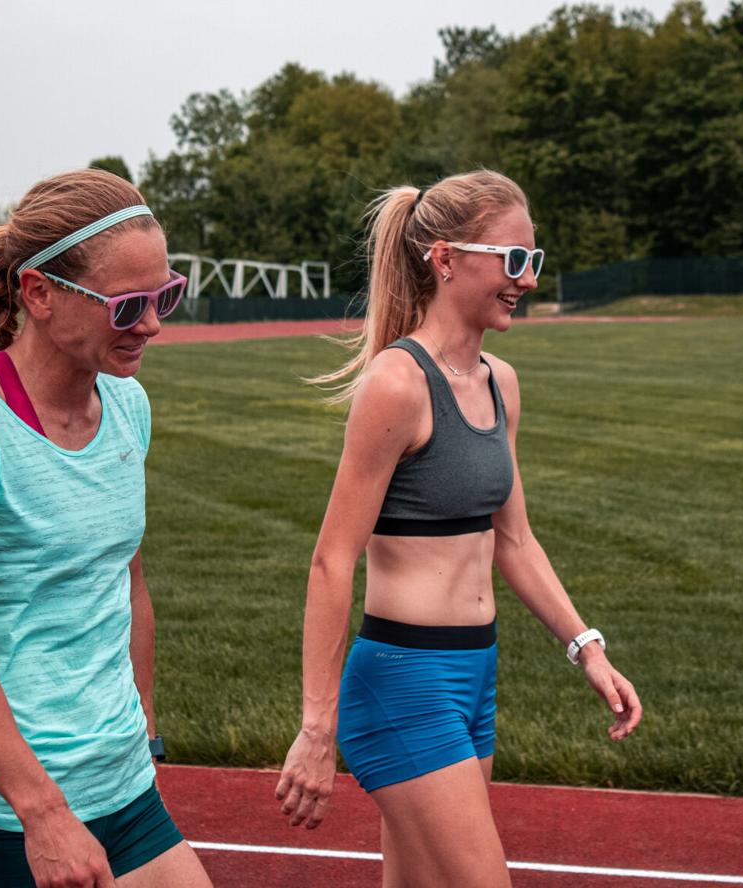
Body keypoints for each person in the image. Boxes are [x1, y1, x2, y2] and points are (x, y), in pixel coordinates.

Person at [275, 170, 642, 886]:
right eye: (511, 260)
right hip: (402, 683)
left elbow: (514, 541)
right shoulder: (397, 383)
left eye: (530, 261)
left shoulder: (500, 382)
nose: (526, 280)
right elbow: (331, 560)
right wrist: (317, 728)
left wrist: (587, 648)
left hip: (474, 676)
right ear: (444, 259)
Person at [0, 169, 211, 887]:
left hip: (124, 795)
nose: (153, 324)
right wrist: (44, 814)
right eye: (128, 305)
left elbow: (124, 578)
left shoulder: (128, 406)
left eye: (165, 295)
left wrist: (140, 729)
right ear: (39, 293)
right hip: (5, 817)